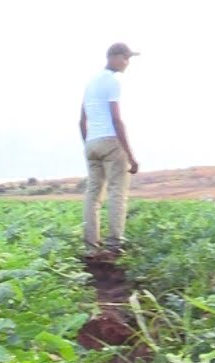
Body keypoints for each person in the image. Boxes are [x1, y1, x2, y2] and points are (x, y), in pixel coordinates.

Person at [80, 42, 141, 257]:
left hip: (92, 143)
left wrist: (88, 145)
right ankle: (115, 244)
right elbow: (116, 119)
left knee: (93, 195)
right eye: (125, 58)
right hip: (110, 141)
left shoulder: (91, 83)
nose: (127, 63)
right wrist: (131, 157)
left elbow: (82, 121)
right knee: (117, 192)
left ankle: (90, 247)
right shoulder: (114, 81)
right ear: (114, 57)